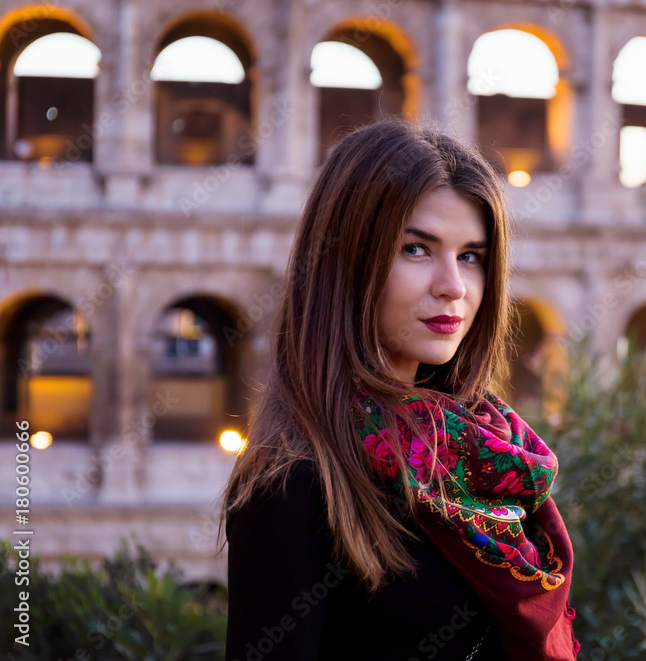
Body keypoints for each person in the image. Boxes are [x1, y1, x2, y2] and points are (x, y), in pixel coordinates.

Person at [217, 118, 581, 660]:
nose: (453, 287)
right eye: (416, 249)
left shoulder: (489, 453)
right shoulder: (295, 479)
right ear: (347, 261)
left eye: (470, 257)